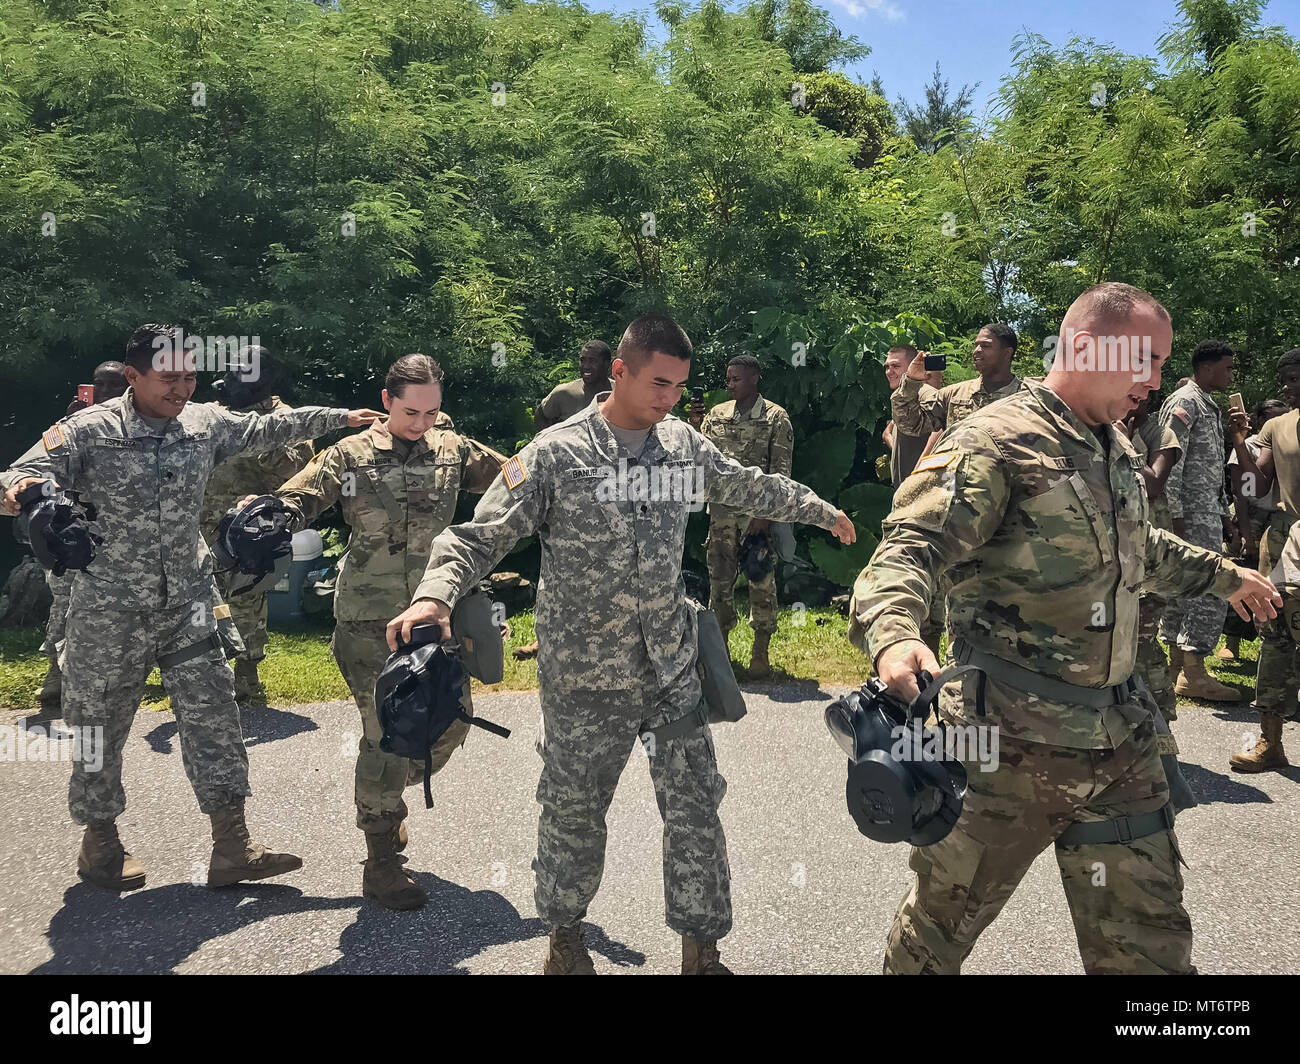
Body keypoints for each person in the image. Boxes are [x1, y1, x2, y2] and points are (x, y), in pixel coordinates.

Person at [387, 314, 856, 975]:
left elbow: (745, 482)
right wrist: (434, 595)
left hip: (669, 668)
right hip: (584, 679)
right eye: (658, 383)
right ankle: (566, 942)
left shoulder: (682, 447)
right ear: (621, 372)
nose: (669, 398)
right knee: (573, 814)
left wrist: (817, 508)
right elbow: (476, 536)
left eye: (680, 386)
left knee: (696, 806)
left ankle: (702, 952)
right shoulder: (556, 453)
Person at [850, 283, 1278, 974]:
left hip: (1118, 742)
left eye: (1163, 363)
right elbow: (907, 549)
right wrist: (896, 633)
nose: (1155, 380)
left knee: (1148, 944)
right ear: (1082, 346)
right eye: (1145, 359)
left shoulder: (1112, 443)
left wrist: (1229, 576)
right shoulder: (994, 440)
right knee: (937, 934)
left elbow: (1142, 549)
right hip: (1002, 747)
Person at [0, 323, 382, 893]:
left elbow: (269, 425)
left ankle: (233, 847)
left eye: (189, 376)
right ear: (132, 377)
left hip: (190, 600)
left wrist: (340, 417)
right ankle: (100, 843)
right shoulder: (91, 430)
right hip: (110, 605)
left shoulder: (203, 423)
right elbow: (17, 474)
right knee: (98, 725)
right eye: (168, 378)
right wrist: (29, 498)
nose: (181, 389)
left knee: (214, 718)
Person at [264, 354, 506, 910]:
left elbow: (518, 481)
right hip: (369, 621)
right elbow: (297, 499)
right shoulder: (348, 457)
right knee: (386, 733)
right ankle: (381, 858)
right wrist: (265, 518)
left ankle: (386, 802)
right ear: (386, 401)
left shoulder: (454, 450)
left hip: (434, 615)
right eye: (411, 410)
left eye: (432, 411)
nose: (422, 422)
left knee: (447, 725)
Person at [200, 348, 316, 706]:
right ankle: (203, 677)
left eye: (241, 374)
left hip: (248, 533)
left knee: (245, 601)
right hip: (199, 527)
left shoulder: (286, 420)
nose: (231, 380)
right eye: (230, 372)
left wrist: (253, 430)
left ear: (263, 381)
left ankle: (247, 677)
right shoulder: (212, 414)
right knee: (200, 602)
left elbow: (293, 473)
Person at [685, 354, 794, 677]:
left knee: (761, 580)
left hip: (756, 515)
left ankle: (761, 653)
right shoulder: (717, 414)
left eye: (736, 378)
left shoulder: (776, 417)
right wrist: (694, 423)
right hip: (721, 514)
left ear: (754, 378)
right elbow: (700, 453)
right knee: (720, 583)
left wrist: (766, 515)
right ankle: (723, 654)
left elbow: (782, 473)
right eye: (728, 378)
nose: (730, 384)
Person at [1223, 349, 1300, 772]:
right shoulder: (1277, 425)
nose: (1286, 387)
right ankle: (1271, 742)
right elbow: (1254, 486)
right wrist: (1240, 439)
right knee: (1276, 638)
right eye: (1284, 379)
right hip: (1287, 539)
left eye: (1294, 379)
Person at [39, 362, 130, 711]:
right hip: (74, 530)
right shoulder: (70, 425)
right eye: (98, 385)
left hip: (121, 537)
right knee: (63, 600)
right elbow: (46, 463)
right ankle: (55, 674)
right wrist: (65, 425)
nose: (104, 392)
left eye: (113, 385)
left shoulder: (136, 426)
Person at [1158, 341, 1240, 701]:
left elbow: (1209, 467)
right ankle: (1192, 670)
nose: (1231, 375)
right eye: (1227, 368)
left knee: (1187, 589)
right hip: (1189, 512)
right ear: (1206, 368)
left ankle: (1179, 667)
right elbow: (1171, 462)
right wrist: (1175, 516)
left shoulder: (1206, 404)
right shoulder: (1186, 402)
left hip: (1205, 509)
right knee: (1211, 588)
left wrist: (1224, 515)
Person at [1122, 394, 1183, 723]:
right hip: (1117, 551)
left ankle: (1160, 716)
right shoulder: (1105, 427)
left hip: (1149, 552)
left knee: (1143, 639)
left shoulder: (1161, 435)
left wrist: (1125, 442)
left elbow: (1155, 484)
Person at [1219, 398, 1288, 660]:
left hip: (1280, 513)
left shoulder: (1289, 440)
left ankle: (1269, 643)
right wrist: (1245, 531)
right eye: (1271, 417)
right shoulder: (1249, 446)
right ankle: (1232, 641)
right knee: (1245, 573)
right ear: (1259, 421)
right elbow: (1241, 491)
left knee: (1276, 580)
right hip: (1252, 512)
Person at [533, 339, 614, 431]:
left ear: (606, 363)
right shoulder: (564, 392)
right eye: (582, 360)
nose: (586, 366)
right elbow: (541, 415)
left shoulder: (619, 393)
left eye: (592, 361)